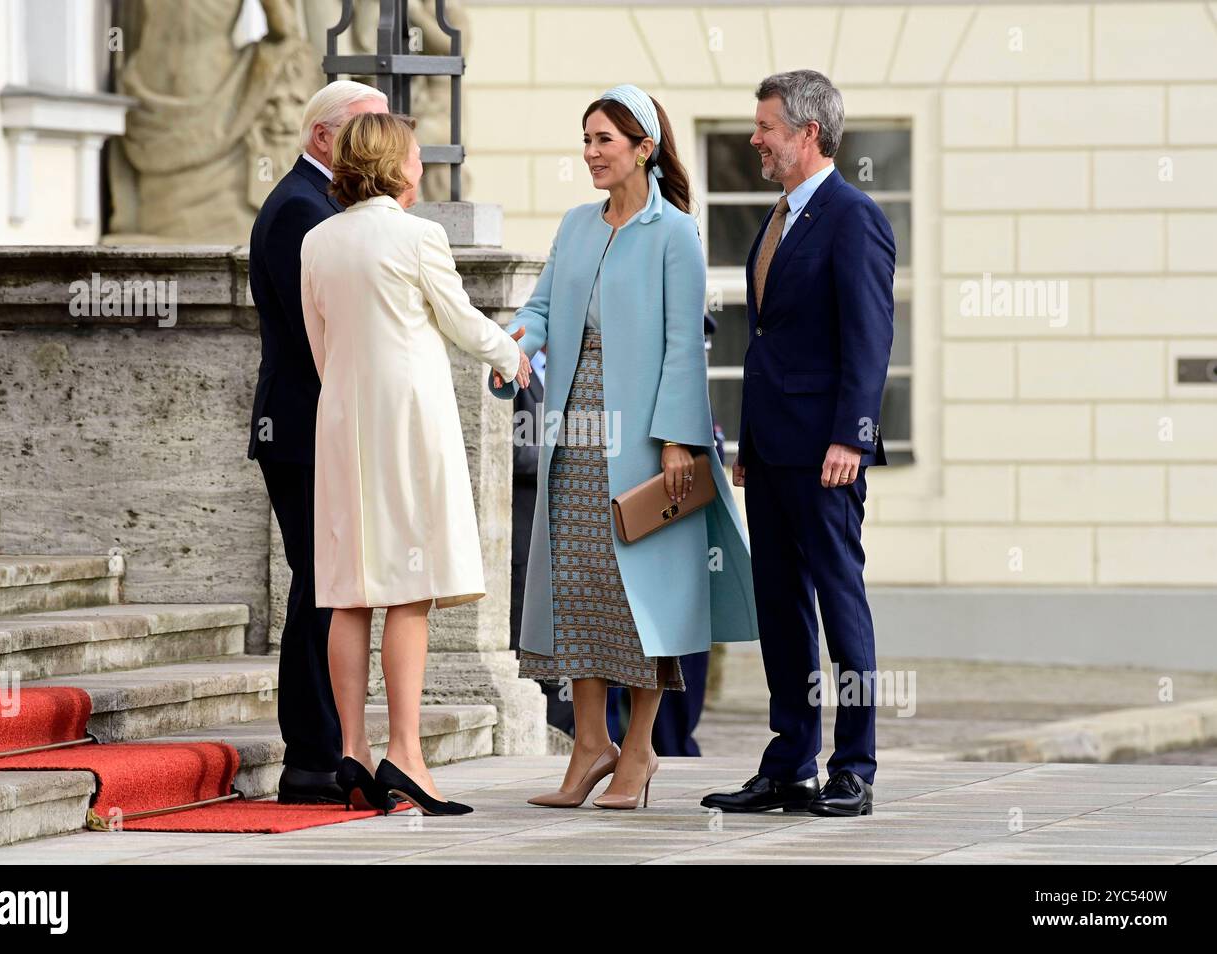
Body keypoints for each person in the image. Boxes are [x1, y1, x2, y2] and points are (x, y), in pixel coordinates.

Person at [490, 84, 758, 811]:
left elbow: (684, 343)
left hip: (645, 440)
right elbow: (542, 306)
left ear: (644, 148)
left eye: (604, 139)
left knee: (643, 598)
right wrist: (506, 347)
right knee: (577, 587)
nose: (591, 153)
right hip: (573, 434)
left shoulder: (676, 233)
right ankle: (588, 746)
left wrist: (677, 440)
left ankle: (637, 748)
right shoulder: (577, 225)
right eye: (586, 139)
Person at [300, 112, 530, 816]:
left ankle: (352, 748)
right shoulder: (419, 234)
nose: (422, 167)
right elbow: (460, 319)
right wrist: (510, 355)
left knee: (347, 588)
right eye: (416, 157)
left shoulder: (317, 240)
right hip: (406, 419)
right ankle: (406, 751)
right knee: (407, 585)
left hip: (339, 419)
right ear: (395, 165)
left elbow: (319, 339)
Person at [701, 70, 895, 819]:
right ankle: (789, 765)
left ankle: (854, 766)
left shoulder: (854, 217)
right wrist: (748, 442)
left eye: (765, 128)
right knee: (780, 611)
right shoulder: (778, 216)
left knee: (841, 610)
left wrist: (853, 435)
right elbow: (768, 343)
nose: (755, 139)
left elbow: (870, 339)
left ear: (807, 132)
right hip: (774, 454)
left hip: (825, 455)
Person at [246, 80, 387, 806]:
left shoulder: (324, 201)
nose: (382, 143)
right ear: (326, 137)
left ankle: (323, 750)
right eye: (369, 130)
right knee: (321, 587)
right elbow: (321, 330)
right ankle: (311, 753)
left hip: (316, 423)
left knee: (328, 584)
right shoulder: (302, 207)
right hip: (302, 426)